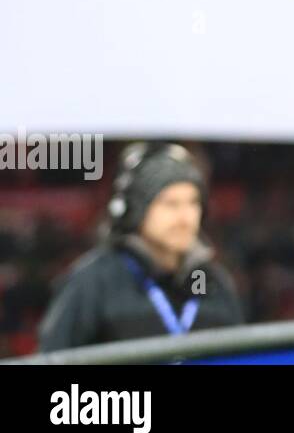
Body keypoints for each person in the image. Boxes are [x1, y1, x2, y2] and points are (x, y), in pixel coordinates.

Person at [38, 142, 244, 352]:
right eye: (170, 204)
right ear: (137, 209)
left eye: (193, 203)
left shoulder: (215, 283)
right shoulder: (92, 282)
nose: (185, 217)